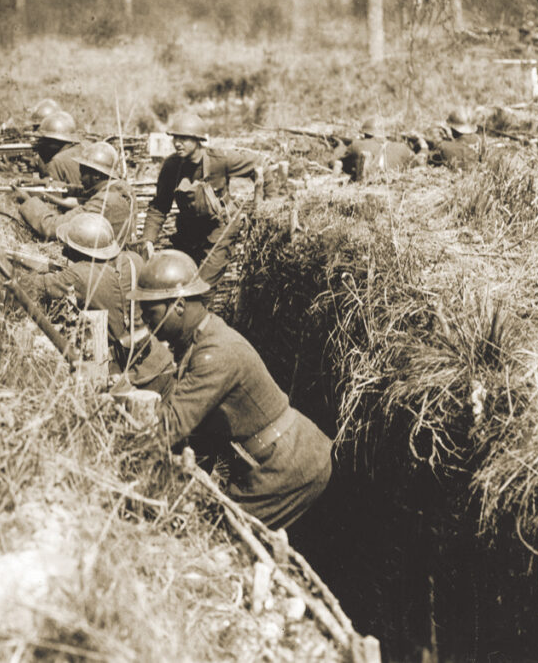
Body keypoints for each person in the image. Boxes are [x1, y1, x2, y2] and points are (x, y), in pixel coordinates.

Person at [127, 250, 332, 529]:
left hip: (287, 465)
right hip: (276, 456)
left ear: (177, 305)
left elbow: (171, 426)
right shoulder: (201, 340)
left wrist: (123, 452)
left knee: (219, 540)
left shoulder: (215, 353)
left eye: (151, 313)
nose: (147, 323)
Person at [17, 213, 174, 394]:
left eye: (68, 246)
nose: (64, 250)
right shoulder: (134, 260)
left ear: (80, 250)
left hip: (128, 377)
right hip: (160, 362)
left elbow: (33, 287)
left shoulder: (80, 275)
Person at [141, 112, 266, 288]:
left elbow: (262, 164)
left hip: (220, 229)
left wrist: (265, 203)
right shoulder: (171, 166)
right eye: (175, 138)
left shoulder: (220, 160)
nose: (177, 143)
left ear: (198, 140)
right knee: (175, 280)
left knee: (203, 287)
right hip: (189, 231)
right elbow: (160, 206)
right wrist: (148, 239)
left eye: (184, 138)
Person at [17, 141, 138, 245]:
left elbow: (52, 227)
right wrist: (44, 184)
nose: (80, 178)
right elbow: (78, 191)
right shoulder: (119, 188)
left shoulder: (104, 202)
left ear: (96, 175)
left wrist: (28, 201)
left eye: (83, 172)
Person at [30, 111, 88, 188]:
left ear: (54, 141)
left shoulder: (57, 162)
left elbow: (49, 193)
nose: (42, 144)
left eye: (45, 140)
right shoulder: (84, 149)